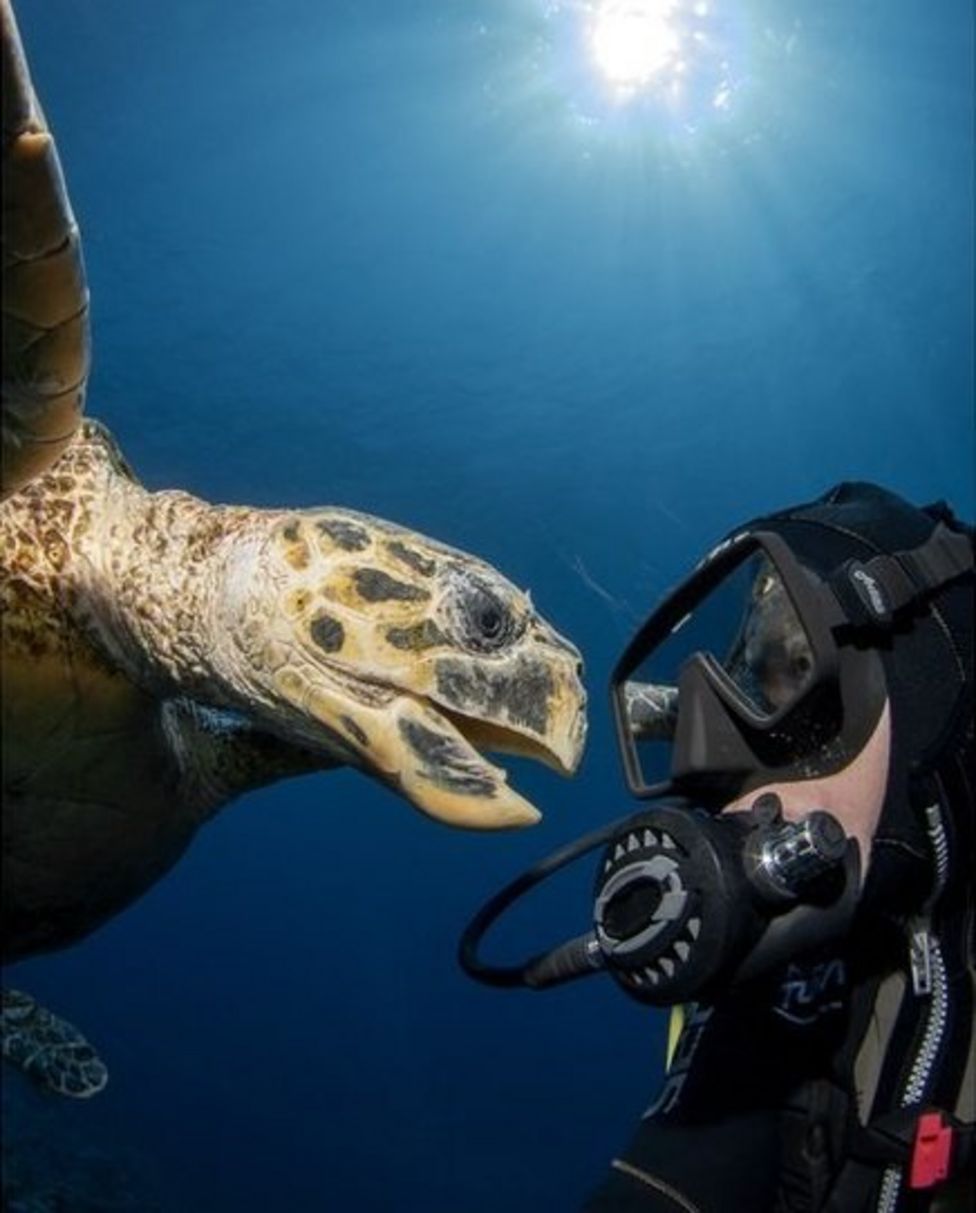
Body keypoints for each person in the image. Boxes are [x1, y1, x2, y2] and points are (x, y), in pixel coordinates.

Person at [460, 481, 973, 1212]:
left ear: (931, 673)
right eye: (744, 690)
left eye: (795, 677)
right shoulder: (783, 989)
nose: (734, 782)